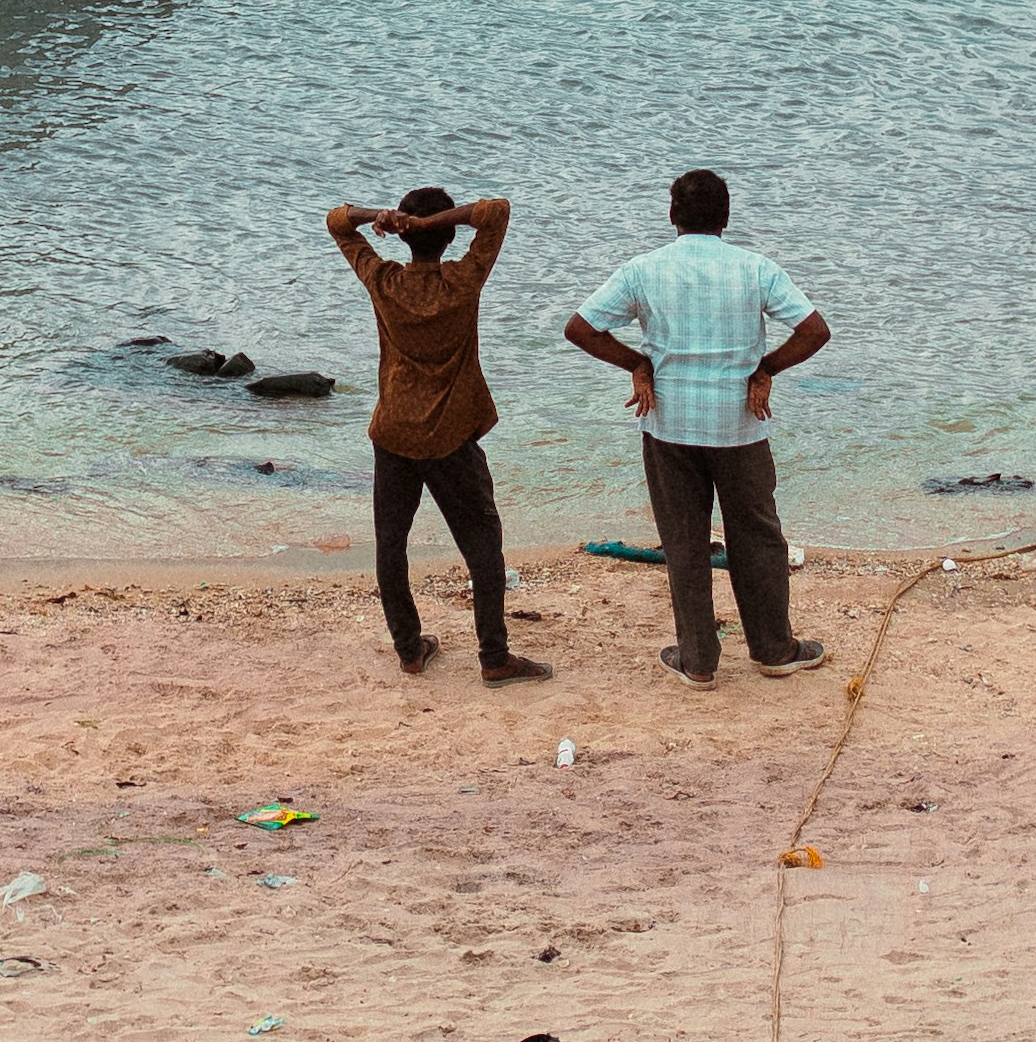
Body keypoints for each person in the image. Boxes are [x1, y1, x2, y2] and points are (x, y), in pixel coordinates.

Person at [565, 168, 830, 684]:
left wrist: (636, 364)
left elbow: (580, 328)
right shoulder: (755, 269)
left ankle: (698, 660)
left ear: (673, 217)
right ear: (726, 218)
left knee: (684, 541)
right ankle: (774, 650)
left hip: (670, 426)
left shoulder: (644, 270)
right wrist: (766, 368)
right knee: (757, 536)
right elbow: (814, 330)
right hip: (740, 426)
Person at [325, 187, 549, 685]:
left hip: (394, 432)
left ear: (404, 234)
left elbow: (338, 221)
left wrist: (385, 217)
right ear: (449, 234)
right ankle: (494, 657)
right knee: (483, 545)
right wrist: (430, 223)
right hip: (450, 438)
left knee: (392, 544)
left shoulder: (385, 281)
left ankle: (409, 649)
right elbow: (496, 211)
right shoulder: (462, 282)